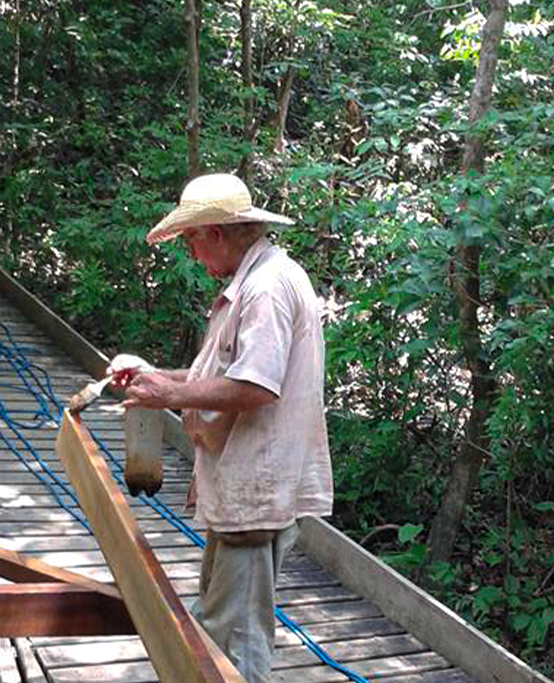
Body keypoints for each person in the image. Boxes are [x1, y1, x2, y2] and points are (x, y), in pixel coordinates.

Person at [106, 173, 333, 683]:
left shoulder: (267, 288)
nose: (190, 253)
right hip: (241, 488)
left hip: (256, 487)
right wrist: (157, 377)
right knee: (219, 626)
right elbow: (226, 376)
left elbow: (257, 388)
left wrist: (169, 395)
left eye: (190, 239)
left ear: (215, 232)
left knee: (234, 641)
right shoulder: (256, 280)